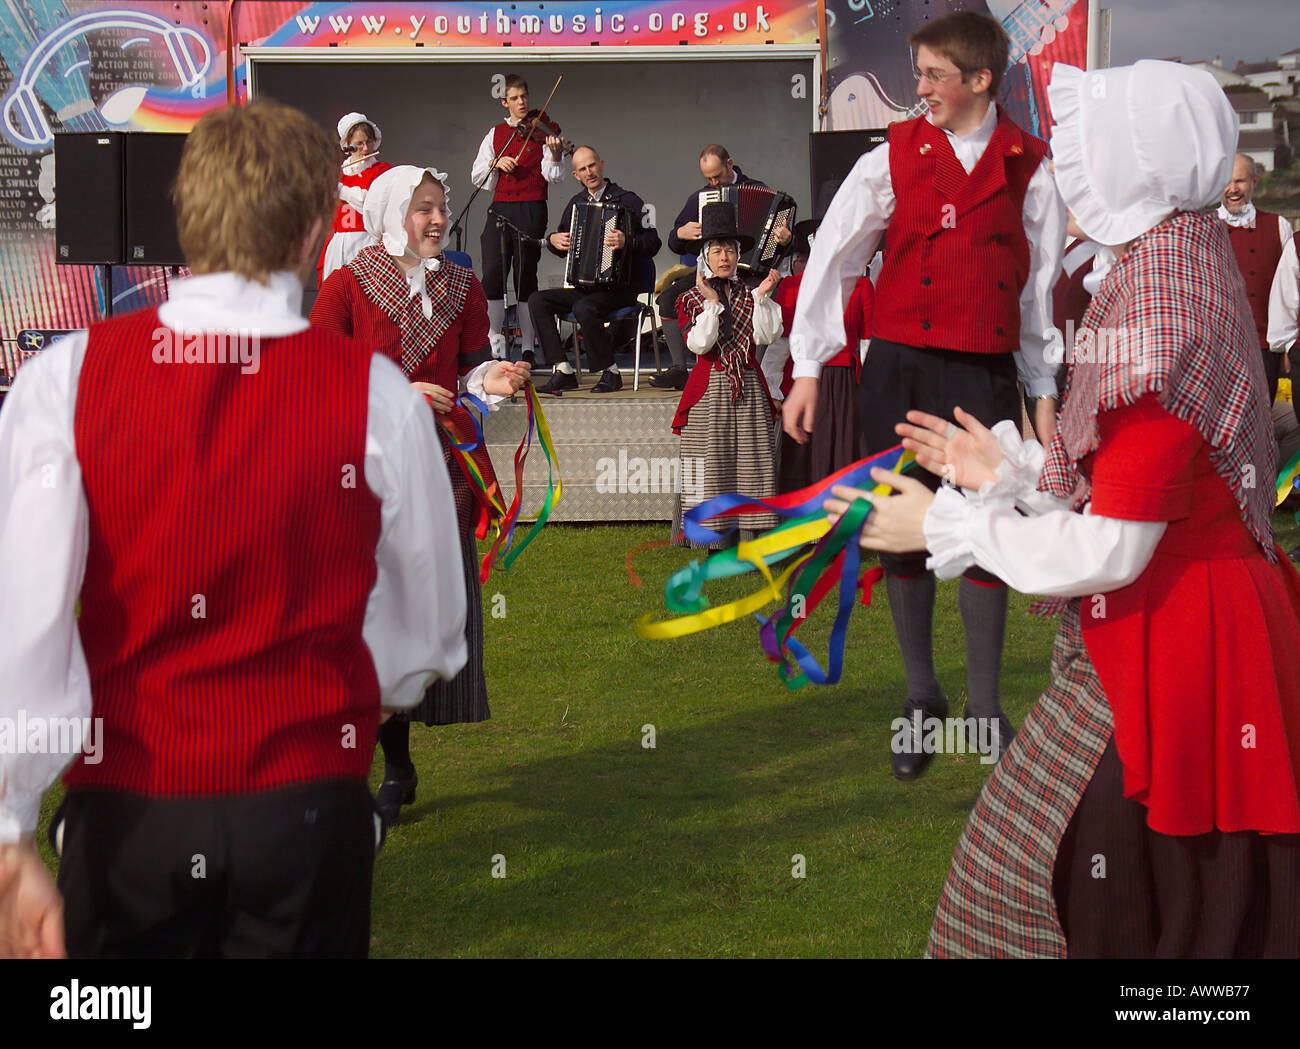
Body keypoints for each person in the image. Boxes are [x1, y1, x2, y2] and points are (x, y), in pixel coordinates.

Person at [831, 60, 1300, 958]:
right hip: (1190, 618)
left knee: (1103, 897)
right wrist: (1004, 469)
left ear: (1135, 167)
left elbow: (1118, 547)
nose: (1073, 167)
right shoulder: (1178, 258)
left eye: (1093, 150)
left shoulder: (1161, 306)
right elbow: (1141, 481)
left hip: (1176, 644)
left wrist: (944, 526)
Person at [0, 100, 468, 959]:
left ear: (185, 214)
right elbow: (426, 641)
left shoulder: (63, 379)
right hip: (304, 811)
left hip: (131, 817)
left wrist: (8, 829)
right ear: (316, 229)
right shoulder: (377, 397)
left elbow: (22, 633)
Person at [786, 10, 1066, 779]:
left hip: (984, 374)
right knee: (903, 531)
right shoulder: (890, 158)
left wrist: (1042, 393)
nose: (920, 89)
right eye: (919, 73)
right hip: (900, 370)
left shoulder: (1030, 167)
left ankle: (983, 709)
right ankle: (920, 697)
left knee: (985, 531)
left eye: (935, 75)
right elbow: (834, 259)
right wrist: (809, 365)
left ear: (980, 80)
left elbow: (1037, 294)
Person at [312, 166, 529, 827]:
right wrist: (394, 394)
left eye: (439, 208)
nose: (437, 220)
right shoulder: (346, 286)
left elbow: (467, 370)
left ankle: (397, 760)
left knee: (420, 615)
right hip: (366, 472)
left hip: (437, 470)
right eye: (422, 209)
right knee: (368, 619)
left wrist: (490, 375)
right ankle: (386, 764)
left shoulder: (462, 285)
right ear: (389, 213)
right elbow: (317, 374)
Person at [671, 202, 783, 548]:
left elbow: (766, 336)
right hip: (710, 388)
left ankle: (750, 536)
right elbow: (699, 344)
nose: (725, 257)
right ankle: (712, 540)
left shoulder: (751, 296)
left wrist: (762, 296)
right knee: (711, 460)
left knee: (751, 461)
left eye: (730, 250)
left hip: (747, 384)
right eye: (717, 250)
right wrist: (711, 304)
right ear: (705, 255)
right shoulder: (689, 297)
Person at [650, 145, 793, 391]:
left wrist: (786, 239)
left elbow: (785, 248)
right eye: (708, 178)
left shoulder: (758, 188)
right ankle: (678, 369)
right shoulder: (700, 198)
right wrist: (681, 233)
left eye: (717, 175)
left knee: (759, 299)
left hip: (750, 273)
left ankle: (753, 370)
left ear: (730, 164)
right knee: (668, 299)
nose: (714, 182)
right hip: (712, 273)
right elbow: (674, 242)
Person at [528, 145, 661, 394]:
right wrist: (553, 240)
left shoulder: (631, 201)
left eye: (592, 165)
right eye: (582, 169)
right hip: (586, 287)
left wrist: (627, 241)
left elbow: (654, 242)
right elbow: (562, 244)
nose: (589, 172)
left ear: (601, 164)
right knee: (537, 300)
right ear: (576, 176)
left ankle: (610, 371)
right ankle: (563, 369)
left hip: (621, 288)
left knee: (583, 307)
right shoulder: (576, 204)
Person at [762, 219, 872, 492]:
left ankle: (844, 519)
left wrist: (872, 388)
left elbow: (868, 342)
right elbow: (782, 342)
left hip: (845, 382)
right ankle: (805, 523)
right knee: (804, 451)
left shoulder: (862, 286)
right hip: (804, 380)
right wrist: (773, 386)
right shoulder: (793, 286)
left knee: (844, 449)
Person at [470, 74, 567, 361]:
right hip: (500, 210)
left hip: (531, 209)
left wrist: (557, 154)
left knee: (526, 277)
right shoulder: (496, 133)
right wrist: (495, 162)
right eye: (514, 98)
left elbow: (554, 176)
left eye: (524, 96)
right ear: (505, 102)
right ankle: (495, 348)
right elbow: (478, 176)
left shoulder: (543, 132)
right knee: (493, 277)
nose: (521, 102)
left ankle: (527, 348)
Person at [1218, 152, 1293, 402]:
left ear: (1254, 183)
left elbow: (1290, 293)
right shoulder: (1204, 228)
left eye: (1240, 181)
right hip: (1217, 346)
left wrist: (1287, 347)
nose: (1233, 189)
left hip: (1264, 346)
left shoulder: (1278, 225)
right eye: (1227, 182)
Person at [317, 113, 392, 287]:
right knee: (336, 293)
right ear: (347, 146)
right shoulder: (338, 171)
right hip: (339, 243)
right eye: (359, 144)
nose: (366, 148)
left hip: (367, 241)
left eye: (369, 142)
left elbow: (370, 203)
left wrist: (341, 190)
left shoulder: (381, 170)